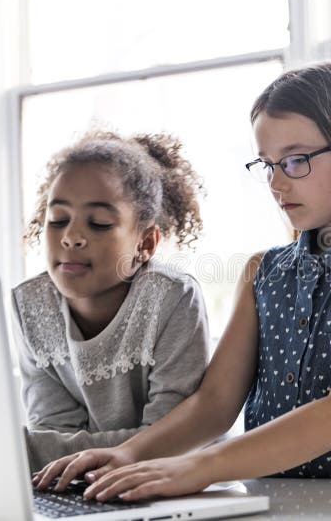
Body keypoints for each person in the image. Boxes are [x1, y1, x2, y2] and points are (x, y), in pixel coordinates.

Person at [33, 61, 331, 499]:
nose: (275, 182)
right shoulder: (263, 273)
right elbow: (214, 404)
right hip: (269, 499)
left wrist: (201, 467)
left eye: (295, 161)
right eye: (266, 164)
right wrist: (129, 453)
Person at [12, 130, 209, 471]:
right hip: (86, 487)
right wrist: (39, 450)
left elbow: (169, 441)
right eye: (57, 220)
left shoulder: (172, 299)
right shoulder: (30, 304)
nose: (71, 237)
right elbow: (53, 435)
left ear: (145, 244)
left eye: (99, 224)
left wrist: (24, 451)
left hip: (175, 483)